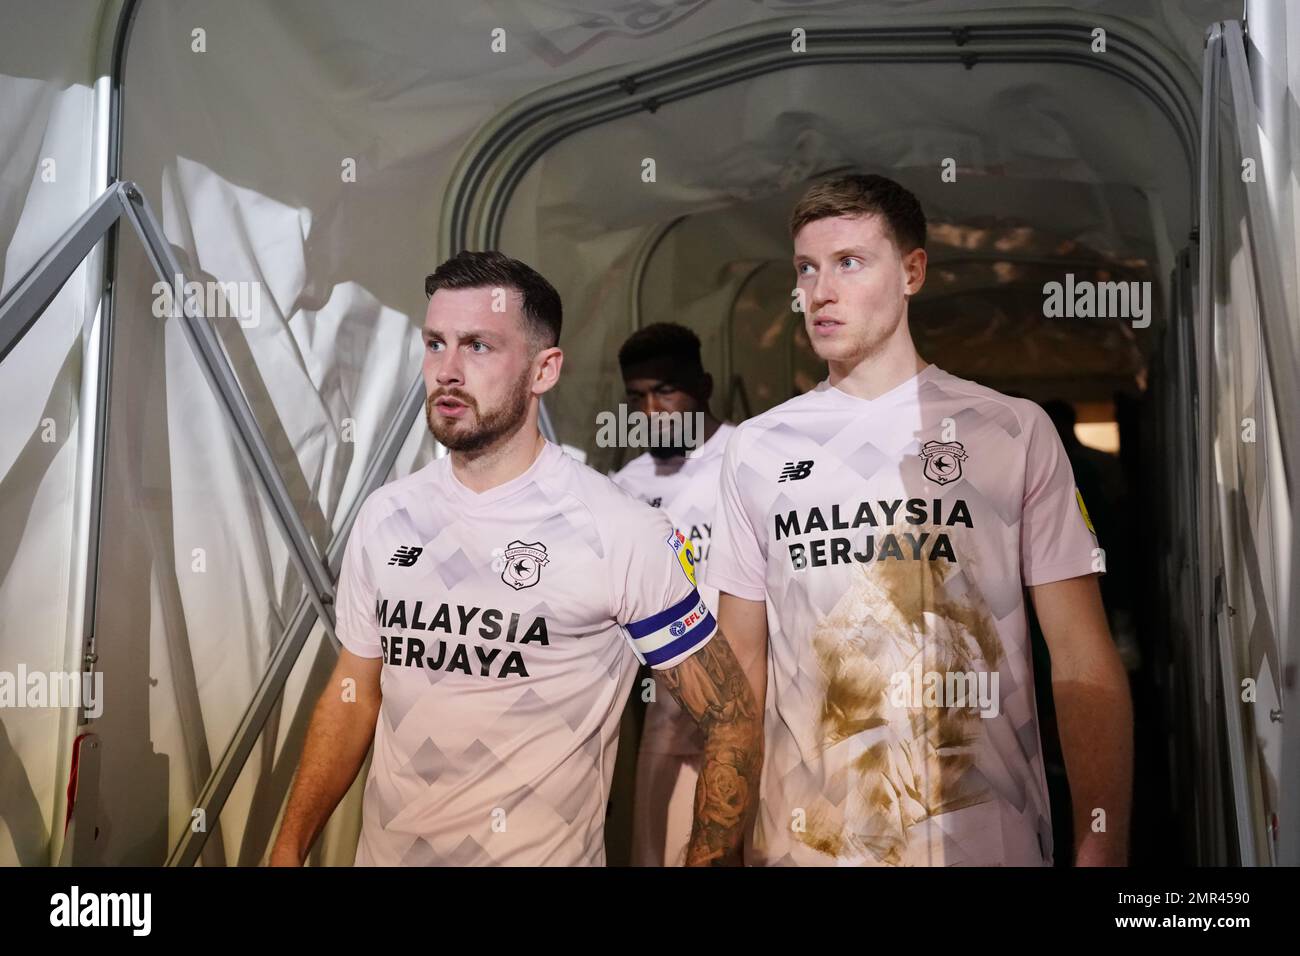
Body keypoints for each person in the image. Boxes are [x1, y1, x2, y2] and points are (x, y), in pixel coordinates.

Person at [269, 250, 760, 866]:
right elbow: (354, 693)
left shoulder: (619, 527)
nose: (448, 369)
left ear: (543, 370)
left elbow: (731, 718)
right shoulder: (387, 516)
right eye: (435, 343)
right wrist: (287, 849)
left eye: (478, 346)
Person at [706, 174, 1133, 866]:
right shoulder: (756, 448)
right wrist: (715, 846)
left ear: (912, 272)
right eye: (807, 269)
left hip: (984, 841)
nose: (821, 292)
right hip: (806, 849)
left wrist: (1103, 843)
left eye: (850, 263)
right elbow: (739, 670)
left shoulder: (1009, 431)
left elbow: (1081, 657)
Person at [609, 322, 737, 866]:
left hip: (752, 698)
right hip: (664, 708)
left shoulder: (748, 460)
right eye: (637, 397)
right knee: (660, 852)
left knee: (753, 847)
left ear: (704, 387)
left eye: (666, 391)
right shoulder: (626, 487)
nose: (651, 409)